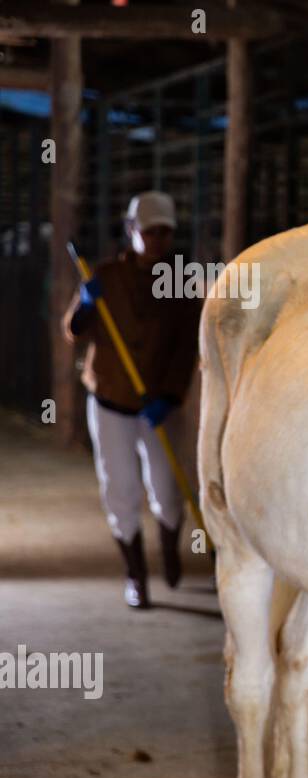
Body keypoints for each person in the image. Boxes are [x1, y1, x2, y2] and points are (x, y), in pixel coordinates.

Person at [62, 190, 203, 610]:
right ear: (131, 231)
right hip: (110, 401)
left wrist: (172, 395)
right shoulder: (106, 276)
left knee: (167, 488)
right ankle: (136, 576)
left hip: (158, 406)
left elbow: (185, 348)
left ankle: (170, 552)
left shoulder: (180, 284)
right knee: (120, 488)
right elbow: (73, 330)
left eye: (165, 233)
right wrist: (88, 304)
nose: (157, 240)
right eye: (149, 232)